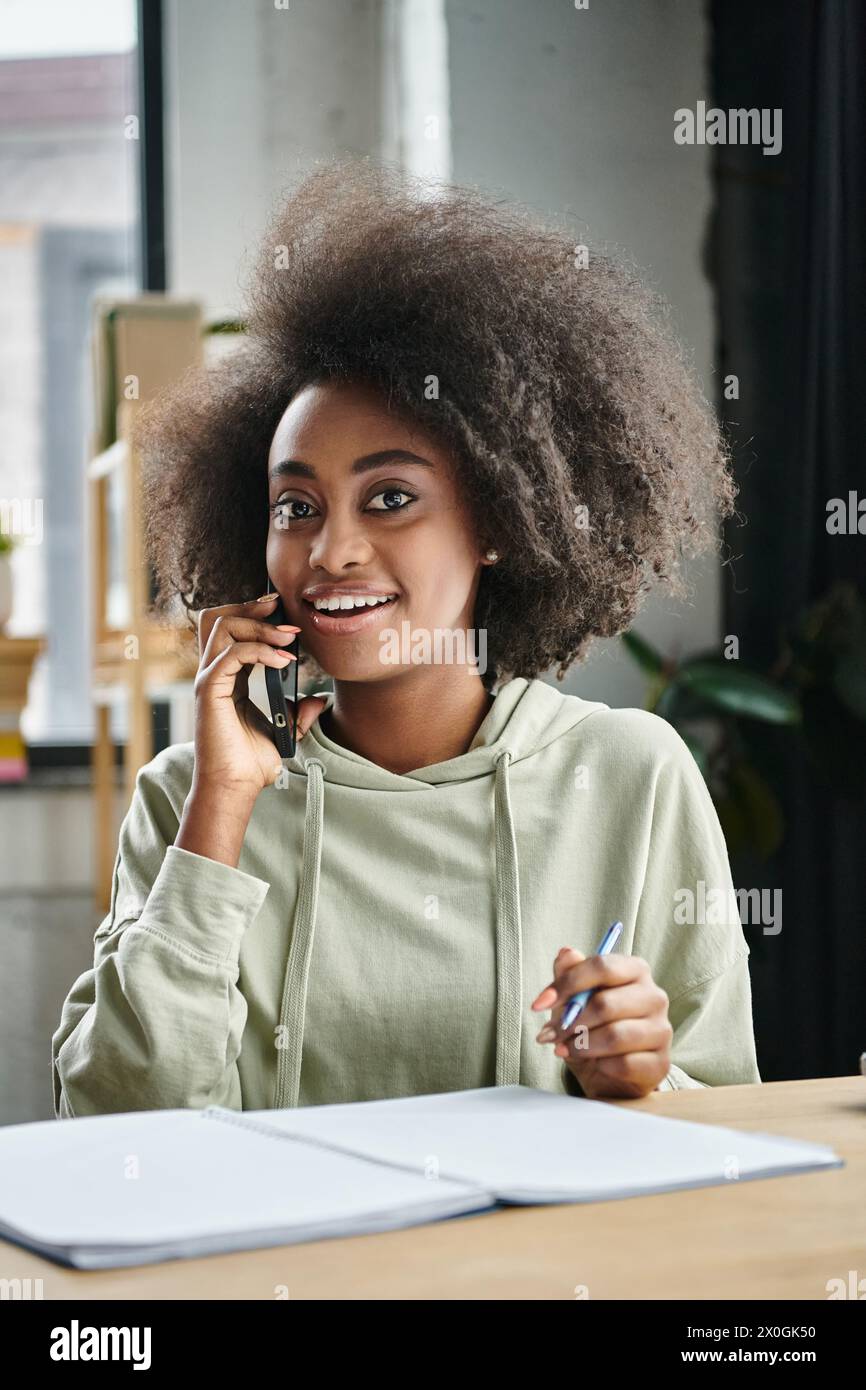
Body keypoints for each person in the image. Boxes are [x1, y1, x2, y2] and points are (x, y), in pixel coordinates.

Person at [52, 158, 760, 1117]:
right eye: (294, 506)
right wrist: (221, 809)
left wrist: (639, 1077)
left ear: (502, 521)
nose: (330, 550)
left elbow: (729, 1121)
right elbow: (112, 1126)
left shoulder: (631, 775)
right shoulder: (188, 797)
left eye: (390, 499)